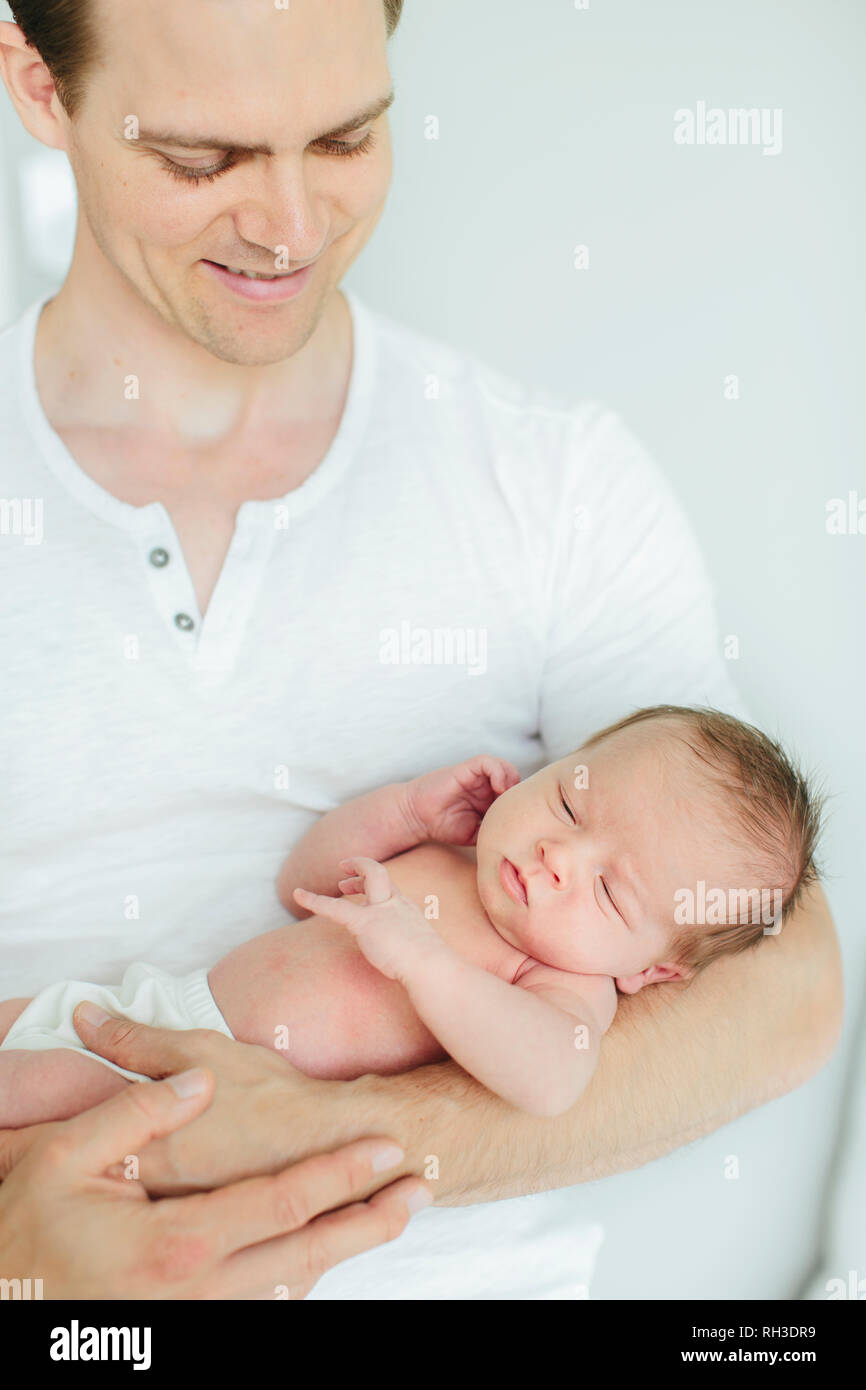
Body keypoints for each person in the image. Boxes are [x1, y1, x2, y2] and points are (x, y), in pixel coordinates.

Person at [0, 0, 842, 1299]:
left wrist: (316, 1137)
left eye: (344, 138)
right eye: (202, 158)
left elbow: (781, 989)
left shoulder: (550, 480)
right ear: (37, 85)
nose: (289, 227)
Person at [1, 705, 824, 1123]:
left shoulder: (566, 988)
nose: (557, 859)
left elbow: (551, 1082)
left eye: (609, 892)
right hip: (162, 1005)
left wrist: (426, 962)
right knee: (19, 1023)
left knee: (35, 1090)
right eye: (571, 806)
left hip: (219, 1089)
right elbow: (305, 882)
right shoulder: (455, 856)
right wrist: (402, 814)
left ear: (650, 968)